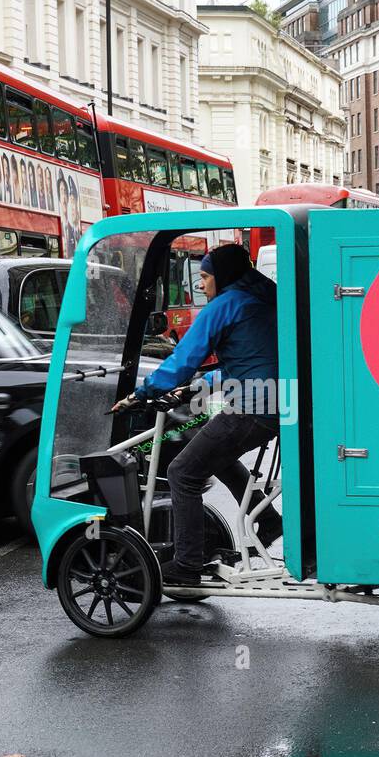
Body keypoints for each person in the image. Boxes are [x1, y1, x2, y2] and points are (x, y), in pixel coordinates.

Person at [111, 243, 282, 586]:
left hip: (253, 407)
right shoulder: (264, 297)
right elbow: (252, 358)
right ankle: (269, 519)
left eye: (205, 277)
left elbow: (183, 359)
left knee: (182, 472)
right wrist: (195, 387)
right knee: (215, 456)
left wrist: (142, 393)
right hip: (275, 402)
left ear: (224, 276)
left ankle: (187, 565)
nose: (201, 285)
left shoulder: (225, 305)